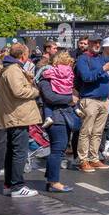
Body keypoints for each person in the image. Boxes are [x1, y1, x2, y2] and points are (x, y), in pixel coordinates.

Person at [0, 42, 41, 198]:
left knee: (13, 151)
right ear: (23, 55)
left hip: (14, 115)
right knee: (19, 152)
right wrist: (35, 91)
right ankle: (17, 186)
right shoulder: (13, 70)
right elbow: (19, 91)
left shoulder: (11, 68)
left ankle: (9, 184)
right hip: (18, 116)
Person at [37, 52, 79, 192]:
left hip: (63, 116)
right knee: (58, 150)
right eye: (67, 65)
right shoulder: (47, 77)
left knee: (58, 150)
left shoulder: (64, 79)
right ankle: (54, 182)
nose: (69, 69)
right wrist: (69, 99)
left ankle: (51, 179)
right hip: (54, 118)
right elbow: (50, 98)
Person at [75, 37, 109, 171]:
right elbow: (86, 77)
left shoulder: (100, 58)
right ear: (88, 45)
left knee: (98, 132)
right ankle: (83, 160)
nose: (97, 45)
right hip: (90, 99)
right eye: (94, 43)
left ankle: (94, 158)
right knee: (86, 131)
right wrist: (103, 69)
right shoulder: (83, 59)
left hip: (104, 100)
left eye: (99, 43)